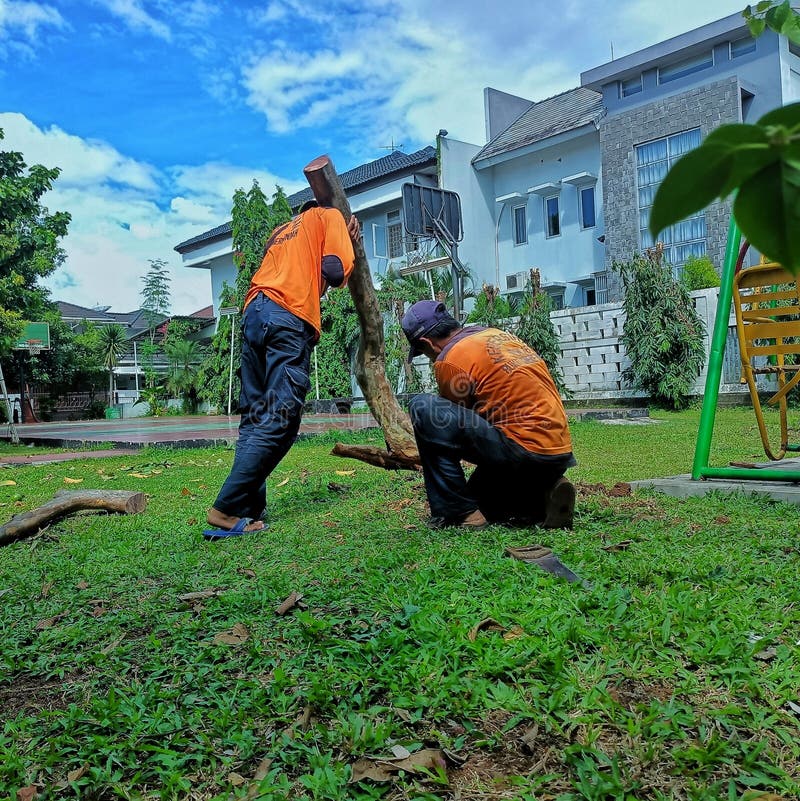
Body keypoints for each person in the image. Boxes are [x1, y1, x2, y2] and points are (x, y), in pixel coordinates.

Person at [204, 200, 361, 539]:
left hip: (255, 312)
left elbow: (311, 274)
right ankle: (225, 509)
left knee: (256, 417)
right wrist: (346, 241)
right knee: (282, 419)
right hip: (287, 317)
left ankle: (246, 511)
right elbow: (334, 271)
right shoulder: (328, 215)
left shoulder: (282, 232)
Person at [401, 300, 576, 530]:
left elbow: (448, 432)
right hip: (557, 454)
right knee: (481, 500)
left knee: (423, 407)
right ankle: (547, 490)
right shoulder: (496, 335)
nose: (430, 358)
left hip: (520, 452)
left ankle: (460, 514)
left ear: (426, 342)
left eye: (423, 353)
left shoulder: (451, 357)